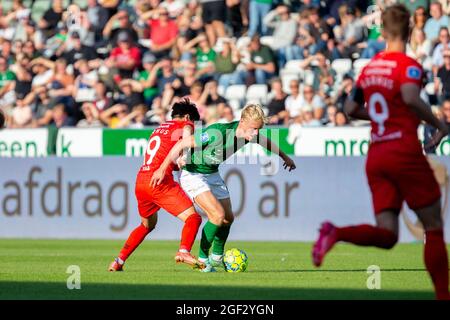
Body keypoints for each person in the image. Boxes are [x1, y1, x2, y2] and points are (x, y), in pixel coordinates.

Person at [312, 4, 450, 300]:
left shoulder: (369, 68)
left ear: (383, 32)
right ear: (411, 30)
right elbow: (411, 99)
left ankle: (336, 232)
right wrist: (439, 123)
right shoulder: (410, 66)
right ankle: (443, 296)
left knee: (387, 235)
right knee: (434, 226)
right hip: (404, 151)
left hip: (376, 155)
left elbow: (349, 109)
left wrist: (381, 117)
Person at [151, 104, 296, 272]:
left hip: (212, 173)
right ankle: (203, 261)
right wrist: (164, 167)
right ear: (242, 121)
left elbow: (266, 142)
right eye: (254, 129)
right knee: (216, 215)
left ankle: (217, 257)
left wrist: (285, 157)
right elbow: (183, 143)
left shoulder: (249, 134)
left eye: (258, 129)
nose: (256, 133)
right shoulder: (217, 133)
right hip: (193, 173)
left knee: (228, 218)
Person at [108, 99, 205, 272]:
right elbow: (188, 137)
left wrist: (176, 163)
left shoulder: (159, 128)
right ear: (188, 116)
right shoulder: (186, 124)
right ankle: (184, 251)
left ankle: (118, 261)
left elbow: (163, 154)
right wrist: (187, 155)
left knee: (146, 225)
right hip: (160, 182)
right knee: (193, 218)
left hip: (142, 180)